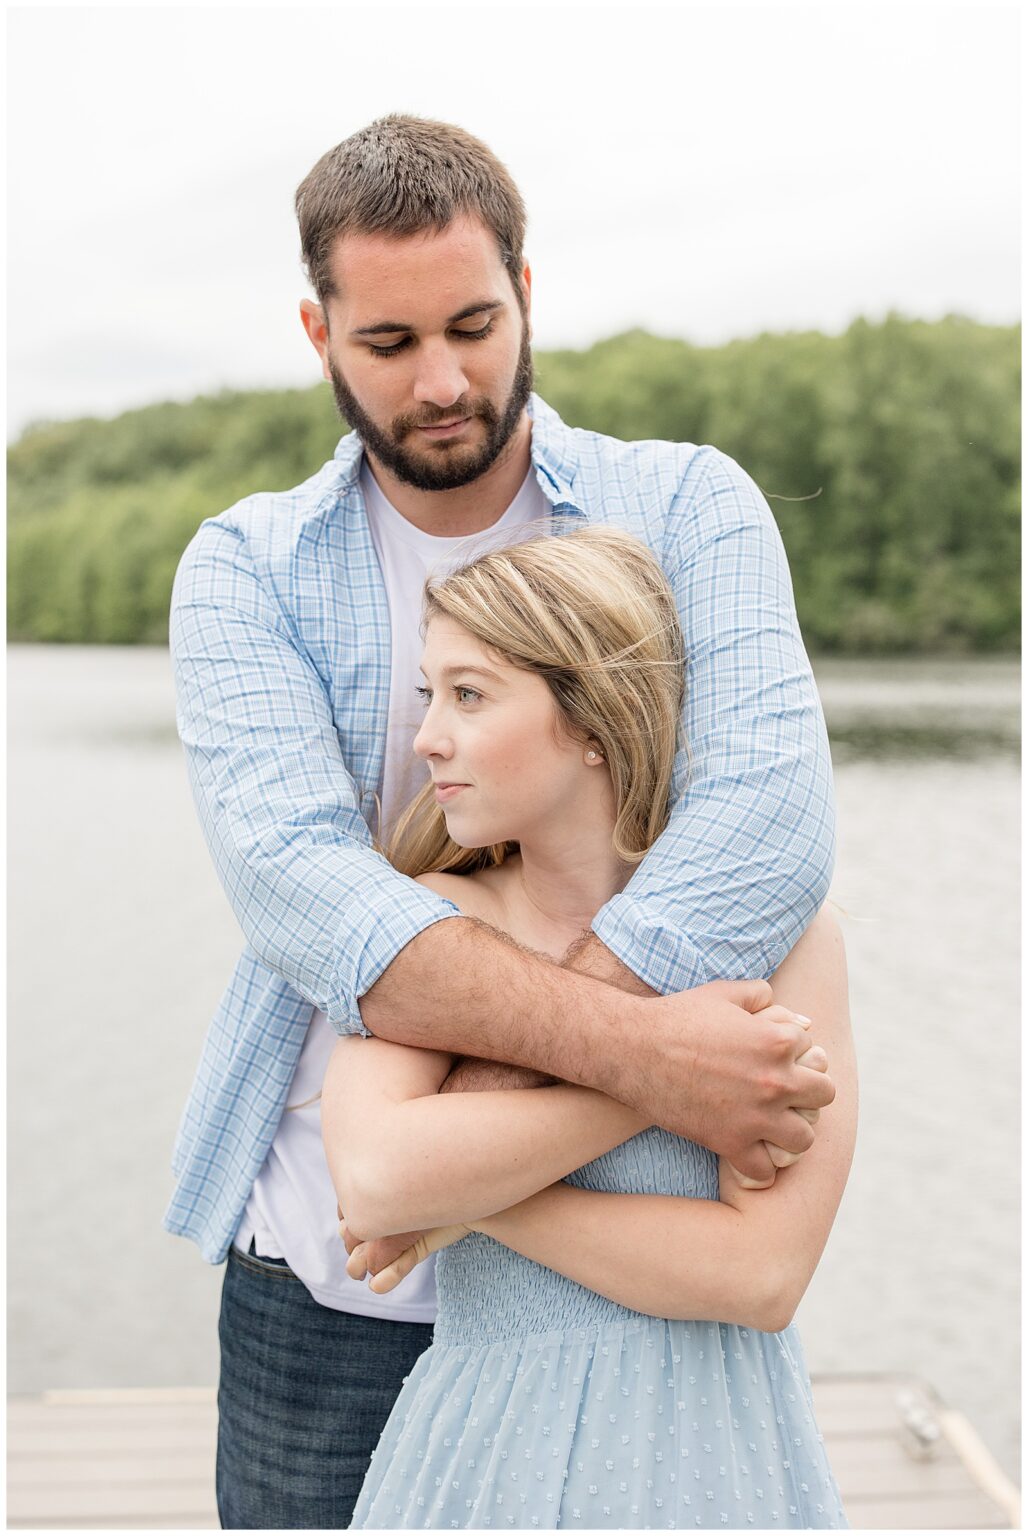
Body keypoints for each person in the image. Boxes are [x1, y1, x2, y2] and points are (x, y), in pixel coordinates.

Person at [164, 115, 837, 1529]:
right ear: (318, 330)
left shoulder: (686, 507)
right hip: (339, 1264)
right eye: (390, 343)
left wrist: (470, 1151)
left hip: (612, 1277)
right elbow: (313, 899)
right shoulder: (246, 570)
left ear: (529, 288)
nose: (446, 379)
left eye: (474, 323)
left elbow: (770, 817)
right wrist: (654, 1056)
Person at [325, 526, 855, 1529]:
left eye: (468, 695)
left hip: (717, 1462)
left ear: (591, 721)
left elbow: (759, 1275)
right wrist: (670, 1059)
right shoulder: (432, 928)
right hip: (488, 1462)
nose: (426, 737)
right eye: (425, 697)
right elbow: (376, 1183)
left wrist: (473, 1202)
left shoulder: (782, 931)